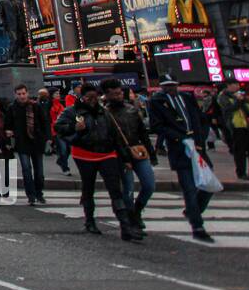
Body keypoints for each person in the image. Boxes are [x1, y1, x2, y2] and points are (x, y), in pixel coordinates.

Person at [55, 83, 144, 240]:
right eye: (89, 98)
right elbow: (59, 127)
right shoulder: (72, 111)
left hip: (107, 153)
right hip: (84, 154)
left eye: (95, 97)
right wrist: (75, 129)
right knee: (88, 188)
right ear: (82, 97)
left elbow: (115, 135)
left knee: (115, 189)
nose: (92, 101)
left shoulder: (104, 112)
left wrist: (124, 158)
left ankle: (125, 226)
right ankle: (90, 221)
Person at [148, 75, 215, 242]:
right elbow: (157, 125)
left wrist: (199, 141)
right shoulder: (157, 102)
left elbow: (198, 119)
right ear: (162, 87)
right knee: (189, 188)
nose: (170, 88)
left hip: (197, 146)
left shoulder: (186, 97)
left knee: (209, 182)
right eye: (167, 86)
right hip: (179, 147)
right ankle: (197, 225)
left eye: (173, 85)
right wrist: (179, 138)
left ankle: (194, 210)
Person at [103, 78, 157, 231]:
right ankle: (132, 218)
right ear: (107, 95)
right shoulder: (105, 113)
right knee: (127, 189)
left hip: (138, 151)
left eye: (119, 93)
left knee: (149, 185)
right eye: (114, 94)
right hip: (120, 156)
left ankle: (137, 210)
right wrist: (122, 158)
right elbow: (110, 139)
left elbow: (143, 133)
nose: (118, 96)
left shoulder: (131, 109)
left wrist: (151, 154)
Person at [8, 83, 49, 205]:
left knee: (39, 172)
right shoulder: (12, 108)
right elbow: (8, 123)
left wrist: (47, 138)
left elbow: (45, 122)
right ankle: (31, 195)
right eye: (19, 94)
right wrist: (9, 132)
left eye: (23, 93)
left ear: (27, 93)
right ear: (15, 94)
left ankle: (39, 192)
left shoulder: (35, 106)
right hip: (22, 142)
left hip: (36, 142)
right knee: (26, 170)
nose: (21, 96)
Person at [218, 81, 249, 180]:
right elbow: (229, 108)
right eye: (235, 84)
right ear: (228, 85)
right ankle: (241, 172)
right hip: (236, 125)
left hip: (248, 125)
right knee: (239, 151)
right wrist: (238, 100)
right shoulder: (223, 96)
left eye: (237, 85)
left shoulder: (241, 94)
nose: (237, 86)